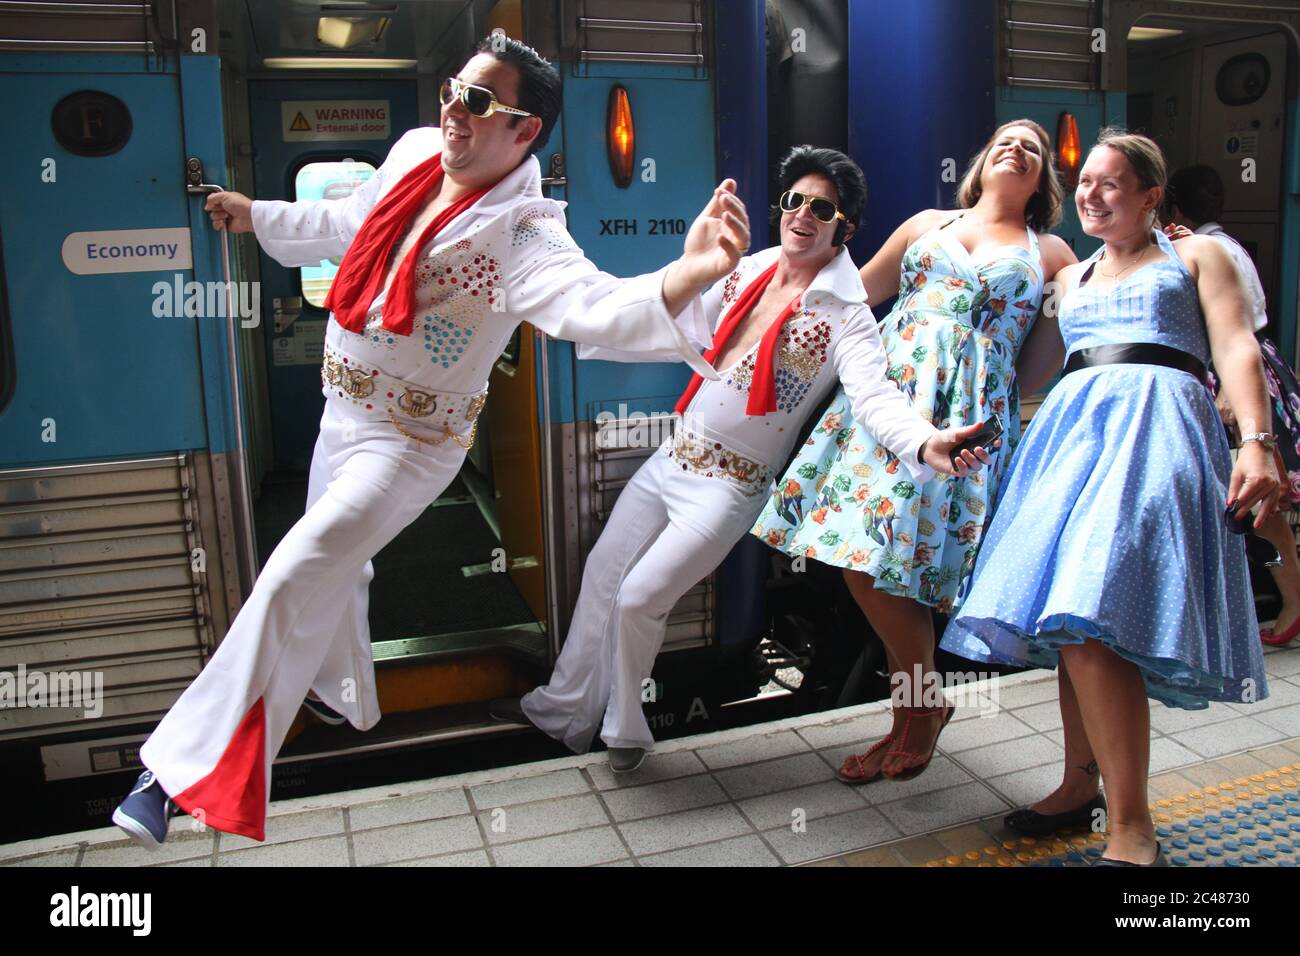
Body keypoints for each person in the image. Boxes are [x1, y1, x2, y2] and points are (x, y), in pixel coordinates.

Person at [111, 35, 753, 848]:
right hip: (338, 414)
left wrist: (689, 273)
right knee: (330, 580)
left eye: (480, 102)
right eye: (454, 89)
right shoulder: (417, 151)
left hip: (407, 443)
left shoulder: (521, 232)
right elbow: (352, 219)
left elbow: (593, 305)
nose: (453, 109)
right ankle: (339, 695)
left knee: (296, 569)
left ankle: (171, 777)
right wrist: (257, 215)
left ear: (525, 132)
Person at [491, 147, 994, 772]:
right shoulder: (747, 269)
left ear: (845, 227)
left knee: (639, 598)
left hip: (728, 489)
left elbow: (875, 397)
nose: (802, 215)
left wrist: (924, 441)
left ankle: (625, 729)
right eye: (793, 201)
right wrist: (685, 265)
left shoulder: (848, 316)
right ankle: (561, 713)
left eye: (822, 207)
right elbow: (673, 319)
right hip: (671, 458)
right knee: (601, 576)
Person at [942, 129, 1277, 866]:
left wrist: (1255, 438)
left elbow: (1236, 347)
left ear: (1150, 197)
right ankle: (1076, 787)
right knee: (1071, 623)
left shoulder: (1196, 256)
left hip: (1156, 434)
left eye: (1111, 184)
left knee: (1091, 614)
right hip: (1068, 444)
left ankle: (1131, 826)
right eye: (1085, 183)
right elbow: (1027, 367)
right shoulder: (1072, 277)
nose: (1090, 195)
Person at [750, 121, 1075, 784]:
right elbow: (853, 298)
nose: (1018, 148)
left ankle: (912, 716)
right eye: (1006, 141)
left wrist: (989, 390)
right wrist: (758, 324)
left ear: (1042, 180)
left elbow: (1044, 357)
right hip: (886, 405)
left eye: (1033, 149)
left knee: (909, 568)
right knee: (863, 554)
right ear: (982, 163)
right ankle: (922, 709)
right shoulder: (927, 223)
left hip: (966, 422)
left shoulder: (1054, 254)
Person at [1166, 164, 1300, 646]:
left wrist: (1227, 392)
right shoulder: (1229, 245)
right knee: (1252, 502)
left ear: (1174, 205)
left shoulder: (1208, 250)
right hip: (1251, 373)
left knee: (1250, 502)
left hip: (1232, 382)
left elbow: (1229, 332)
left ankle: (1291, 599)